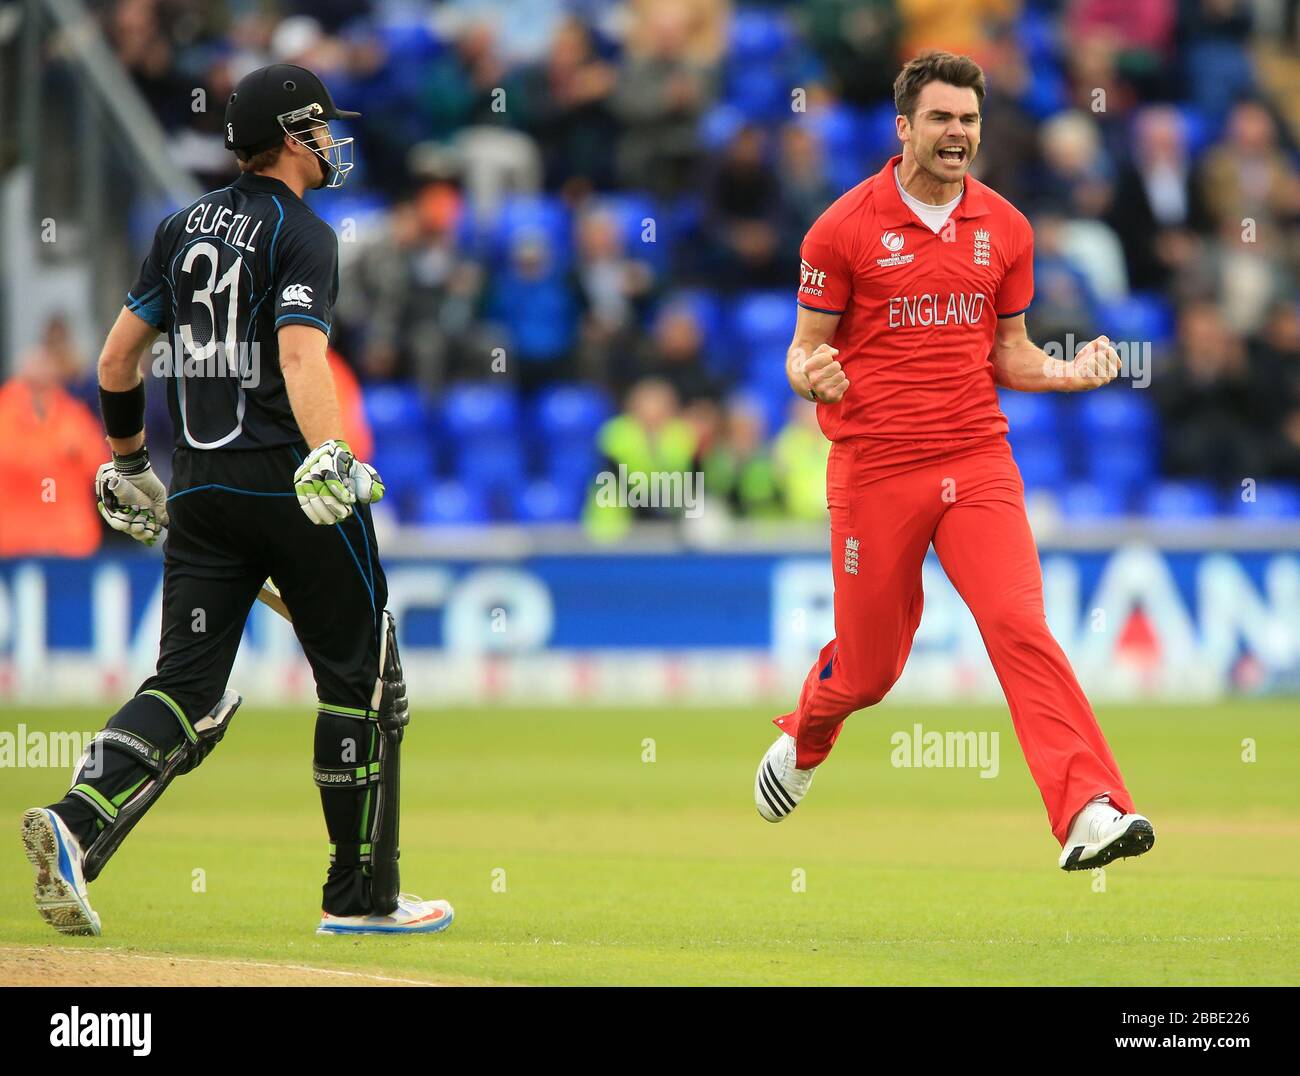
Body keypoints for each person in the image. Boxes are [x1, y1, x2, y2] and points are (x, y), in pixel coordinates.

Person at [20, 64, 453, 937]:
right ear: (293, 135)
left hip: (202, 493)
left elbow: (115, 363)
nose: (332, 141)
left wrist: (131, 463)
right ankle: (359, 897)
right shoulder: (306, 232)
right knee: (364, 681)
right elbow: (301, 358)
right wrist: (330, 455)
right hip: (294, 486)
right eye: (322, 127)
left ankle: (74, 820)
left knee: (185, 688)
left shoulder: (178, 228)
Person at [753, 51, 1156, 873]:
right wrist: (813, 375)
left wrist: (1065, 371)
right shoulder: (841, 228)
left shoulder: (1006, 227)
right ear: (904, 127)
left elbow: (1010, 353)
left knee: (1018, 624)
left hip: (976, 459)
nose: (957, 134)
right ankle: (806, 734)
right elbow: (802, 354)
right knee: (868, 673)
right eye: (940, 118)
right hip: (875, 468)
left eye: (968, 120)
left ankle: (1089, 808)